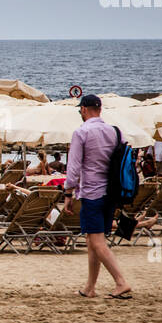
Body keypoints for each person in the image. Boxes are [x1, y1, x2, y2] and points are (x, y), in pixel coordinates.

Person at [64, 94, 133, 300]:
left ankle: (121, 282)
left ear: (84, 110)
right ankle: (90, 287)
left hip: (92, 192)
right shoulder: (115, 132)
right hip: (111, 192)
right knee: (92, 240)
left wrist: (69, 192)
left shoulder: (81, 132)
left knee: (97, 242)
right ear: (100, 110)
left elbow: (74, 166)